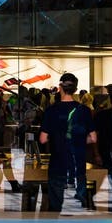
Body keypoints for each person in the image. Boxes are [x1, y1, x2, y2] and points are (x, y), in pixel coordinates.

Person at [39, 73, 96, 212]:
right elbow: (93, 138)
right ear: (75, 90)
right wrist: (78, 140)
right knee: (80, 209)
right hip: (78, 165)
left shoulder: (51, 111)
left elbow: (43, 139)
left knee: (55, 209)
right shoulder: (84, 110)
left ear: (60, 88)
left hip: (58, 164)